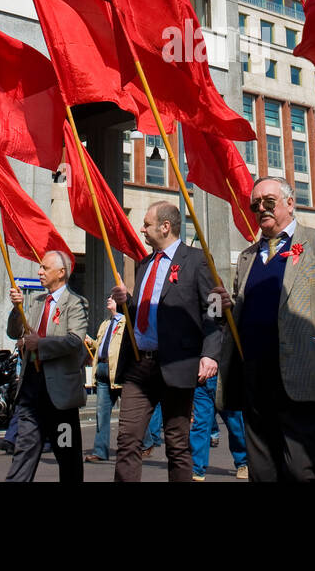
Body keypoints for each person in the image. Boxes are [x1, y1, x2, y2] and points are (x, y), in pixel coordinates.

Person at [216, 176, 315, 481]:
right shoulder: (247, 258)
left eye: (268, 202)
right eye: (255, 204)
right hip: (255, 381)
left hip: (303, 378)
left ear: (289, 203)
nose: (261, 209)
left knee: (303, 471)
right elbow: (239, 317)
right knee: (263, 472)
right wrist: (223, 309)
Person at [112, 201, 221, 482]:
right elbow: (145, 311)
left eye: (146, 224)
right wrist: (128, 304)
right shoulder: (144, 263)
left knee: (177, 445)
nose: (141, 229)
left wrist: (210, 354)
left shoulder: (197, 261)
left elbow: (215, 311)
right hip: (139, 366)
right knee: (127, 441)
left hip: (177, 365)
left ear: (165, 226)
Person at [6, 250, 88, 482]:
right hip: (32, 392)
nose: (39, 272)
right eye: (40, 268)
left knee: (67, 455)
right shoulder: (35, 302)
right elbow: (15, 332)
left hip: (61, 398)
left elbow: (74, 341)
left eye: (45, 268)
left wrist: (41, 344)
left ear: (61, 273)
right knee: (24, 452)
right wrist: (16, 309)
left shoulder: (76, 304)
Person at [85, 296, 124, 463]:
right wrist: (91, 342)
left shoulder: (125, 323)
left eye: (113, 298)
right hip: (101, 369)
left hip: (119, 372)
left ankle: (146, 441)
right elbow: (101, 346)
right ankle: (100, 451)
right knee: (102, 413)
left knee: (131, 412)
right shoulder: (105, 323)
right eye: (108, 296)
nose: (108, 299)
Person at [189, 371, 248, 480]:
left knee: (235, 426)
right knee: (200, 425)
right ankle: (197, 468)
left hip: (226, 379)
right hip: (202, 381)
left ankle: (243, 463)